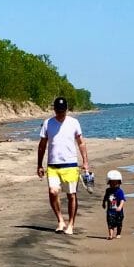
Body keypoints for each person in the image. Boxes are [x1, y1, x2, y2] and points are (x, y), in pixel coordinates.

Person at [36, 96, 90, 235]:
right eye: (58, 110)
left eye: (62, 110)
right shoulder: (48, 123)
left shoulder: (74, 122)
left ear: (66, 109)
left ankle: (71, 224)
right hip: (53, 165)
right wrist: (39, 165)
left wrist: (85, 162)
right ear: (54, 109)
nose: (60, 113)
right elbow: (42, 145)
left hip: (71, 164)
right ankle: (60, 220)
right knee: (53, 192)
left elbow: (81, 142)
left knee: (71, 194)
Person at [102, 170, 126, 240]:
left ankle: (118, 233)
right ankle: (111, 235)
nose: (114, 184)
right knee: (110, 223)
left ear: (119, 182)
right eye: (112, 182)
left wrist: (120, 207)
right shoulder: (108, 190)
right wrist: (103, 203)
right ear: (109, 182)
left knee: (119, 223)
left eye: (116, 182)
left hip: (118, 211)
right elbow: (105, 197)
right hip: (110, 211)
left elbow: (122, 200)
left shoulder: (120, 191)